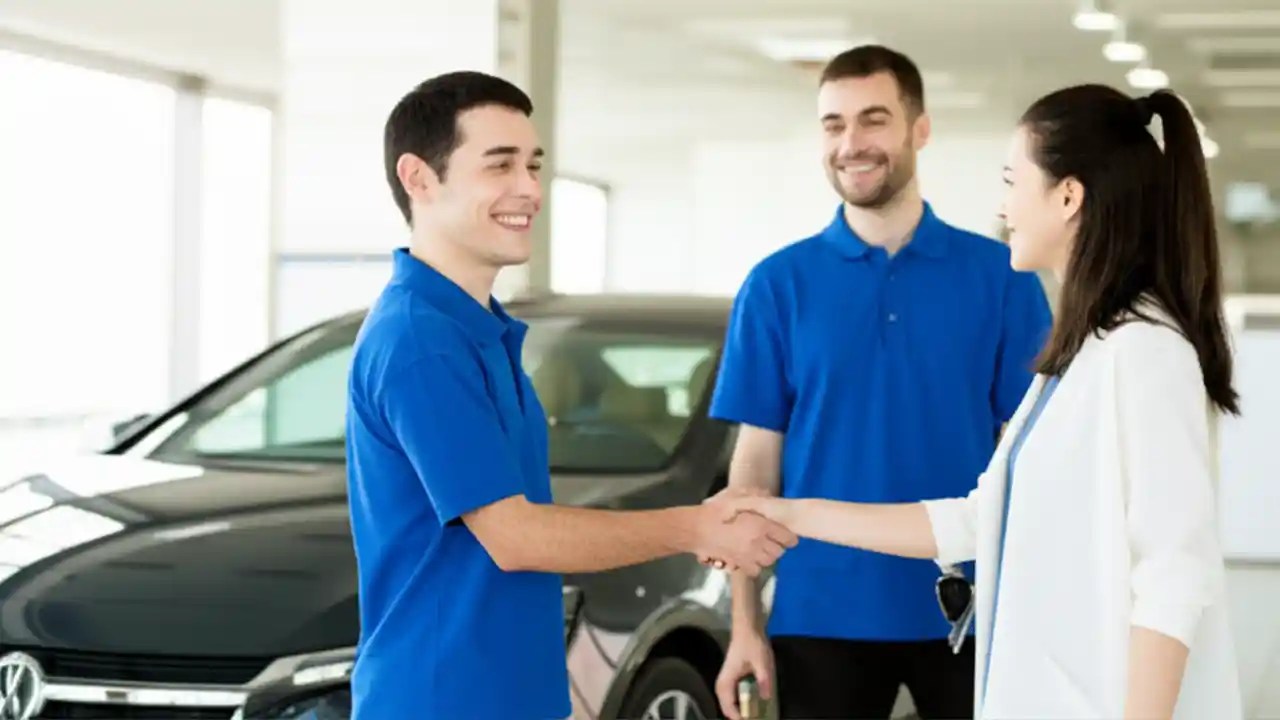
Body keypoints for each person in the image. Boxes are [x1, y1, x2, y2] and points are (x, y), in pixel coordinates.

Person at [709, 83, 1244, 719]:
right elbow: (977, 519)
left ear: (1068, 196)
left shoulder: (1146, 351)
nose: (1003, 205)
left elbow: (1173, 574)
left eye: (1012, 181)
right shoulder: (1084, 353)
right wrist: (785, 513)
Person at [343, 71, 798, 720]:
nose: (530, 189)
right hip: (444, 700)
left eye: (533, 165)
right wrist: (698, 525)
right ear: (418, 178)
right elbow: (516, 536)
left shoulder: (476, 330)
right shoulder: (421, 340)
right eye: (499, 165)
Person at [708, 45, 1054, 720]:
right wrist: (745, 625)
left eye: (873, 119)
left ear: (919, 129)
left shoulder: (1002, 276)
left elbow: (1030, 456)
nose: (851, 143)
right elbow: (754, 469)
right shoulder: (777, 285)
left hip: (971, 604)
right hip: (819, 611)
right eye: (833, 125)